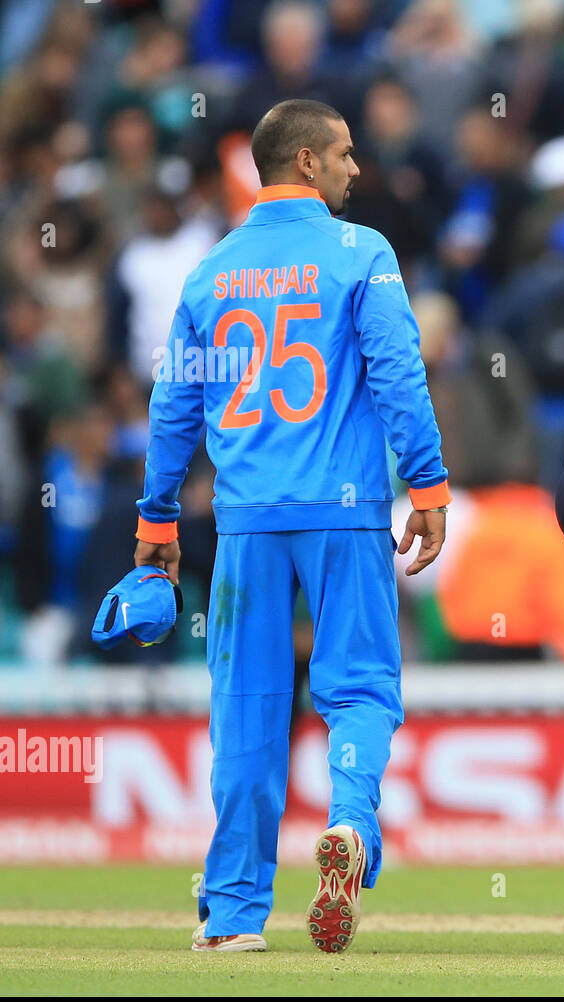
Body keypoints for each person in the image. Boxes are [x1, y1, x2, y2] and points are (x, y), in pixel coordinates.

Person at [131, 99, 450, 954]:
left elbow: (173, 409)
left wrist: (156, 521)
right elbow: (397, 374)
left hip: (241, 524)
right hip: (341, 514)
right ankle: (350, 827)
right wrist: (428, 485)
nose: (357, 168)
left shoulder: (211, 270)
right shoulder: (362, 253)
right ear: (305, 162)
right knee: (359, 690)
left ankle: (235, 915)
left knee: (246, 713)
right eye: (344, 154)